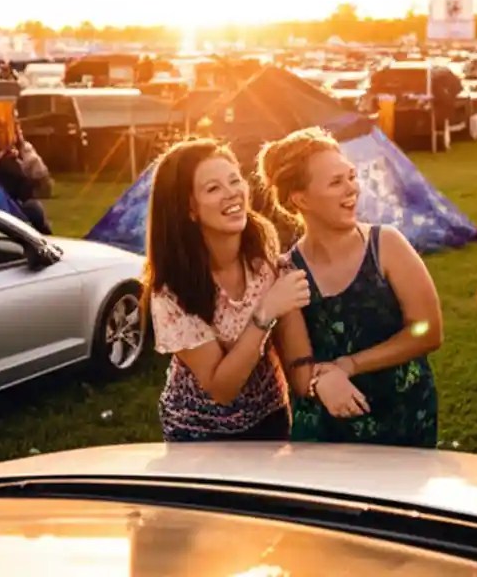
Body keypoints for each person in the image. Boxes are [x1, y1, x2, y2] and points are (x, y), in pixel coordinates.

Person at [143, 138, 365, 442]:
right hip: (199, 433)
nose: (232, 193)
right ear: (189, 209)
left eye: (235, 180)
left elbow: (296, 351)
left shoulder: (264, 258)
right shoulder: (171, 293)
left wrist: (321, 380)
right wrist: (265, 313)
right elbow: (222, 389)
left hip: (270, 415)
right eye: (213, 188)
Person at [256, 127, 442, 447]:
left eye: (351, 176)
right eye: (336, 182)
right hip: (327, 434)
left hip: (404, 419)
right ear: (301, 199)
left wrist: (350, 365)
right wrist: (319, 384)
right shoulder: (287, 272)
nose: (352, 188)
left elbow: (428, 332)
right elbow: (297, 369)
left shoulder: (387, 246)